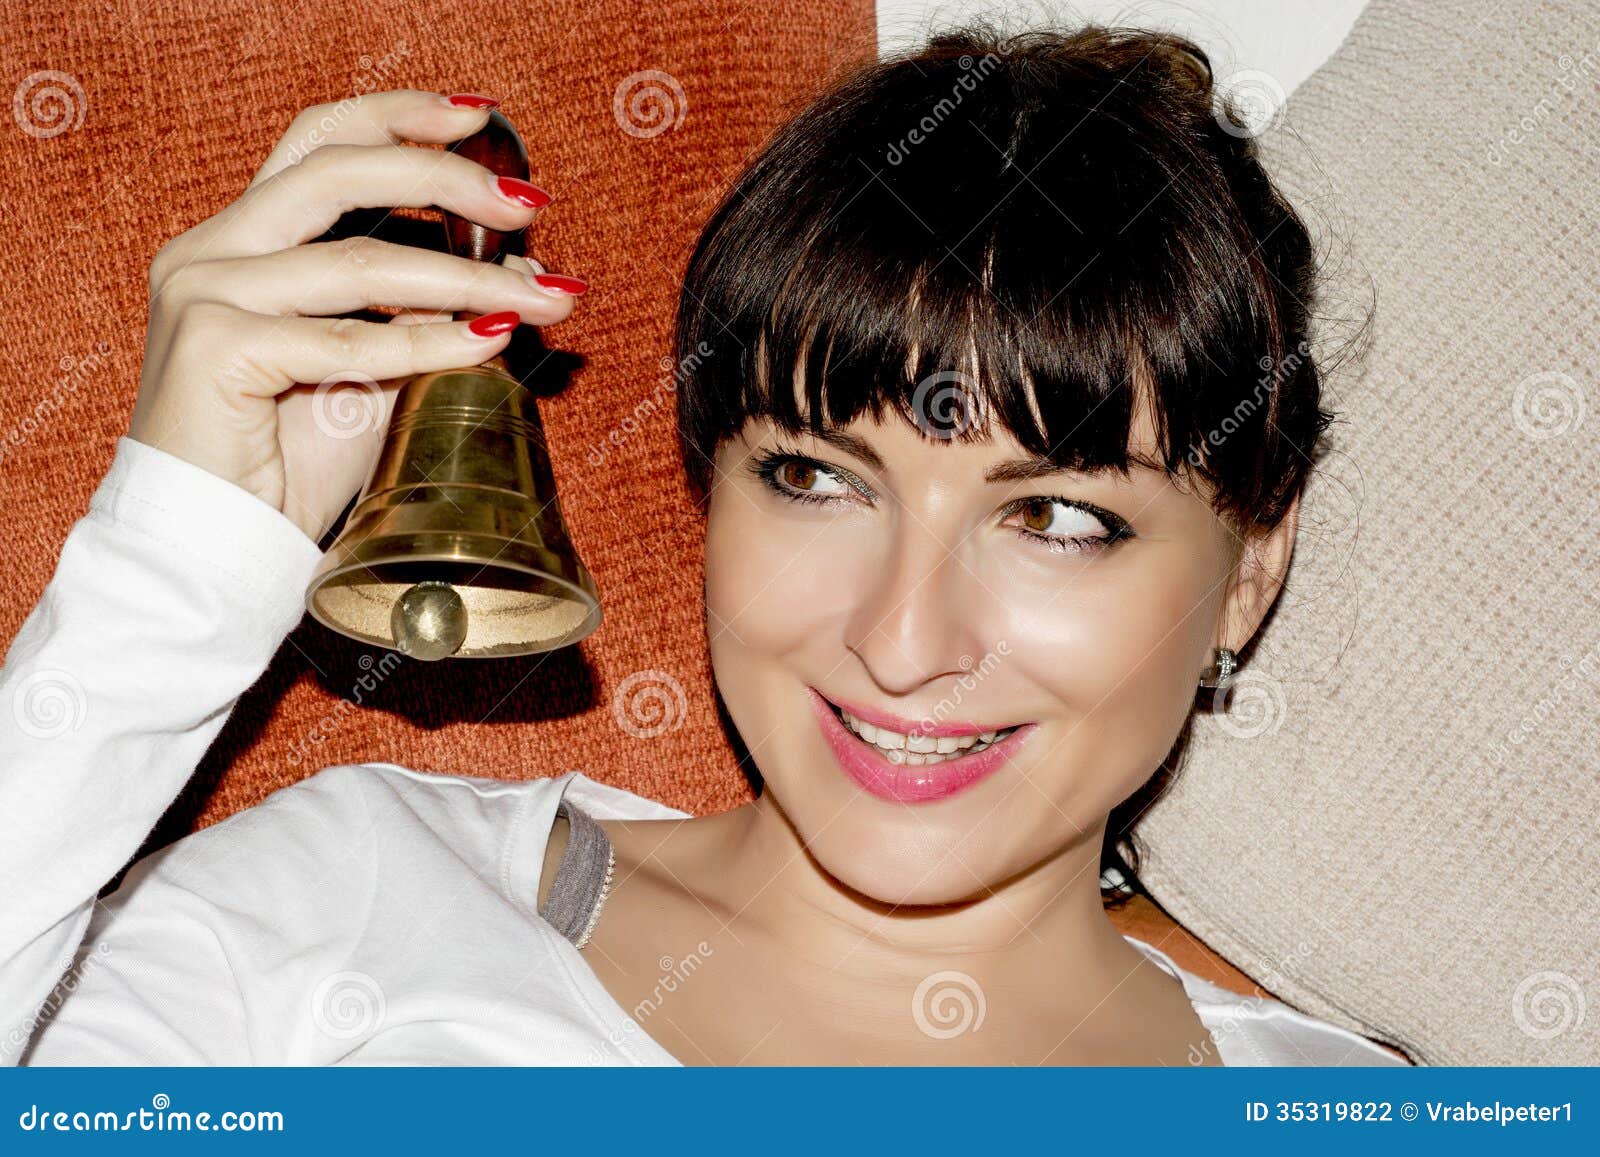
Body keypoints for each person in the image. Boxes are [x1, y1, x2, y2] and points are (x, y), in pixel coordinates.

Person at [0, 23, 1409, 1066]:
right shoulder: (352, 896)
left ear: (1250, 570)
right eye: (815, 477)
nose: (901, 638)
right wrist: (176, 554)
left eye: (1053, 517)